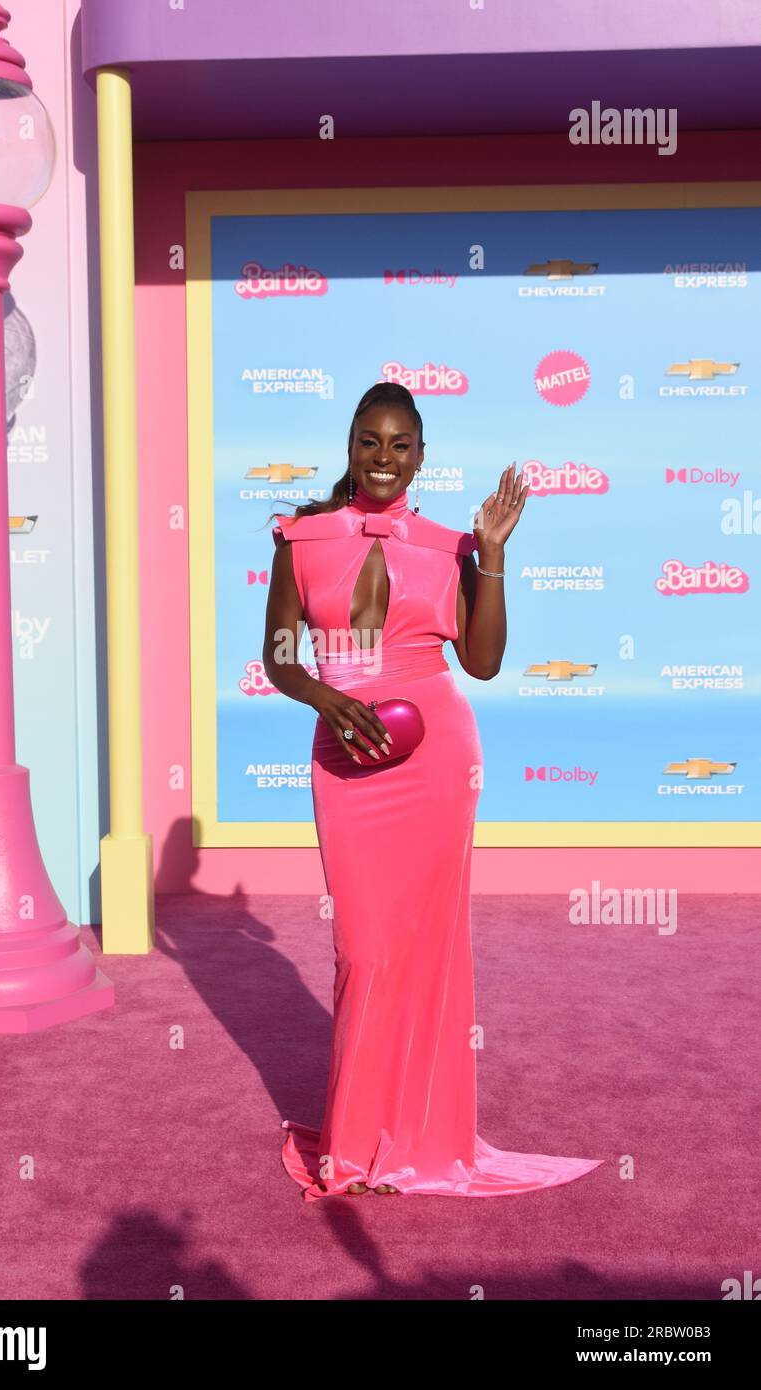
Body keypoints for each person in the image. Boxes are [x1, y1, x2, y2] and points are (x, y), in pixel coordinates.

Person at [263, 381, 603, 1200]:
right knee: (363, 949)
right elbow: (279, 655)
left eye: (401, 445)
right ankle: (355, 1146)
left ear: (422, 455)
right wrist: (325, 698)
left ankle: (410, 1145)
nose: (385, 459)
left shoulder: (451, 546)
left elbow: (481, 663)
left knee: (428, 950)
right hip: (344, 759)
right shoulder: (298, 539)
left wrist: (492, 555)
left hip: (437, 762)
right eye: (371, 442)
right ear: (349, 446)